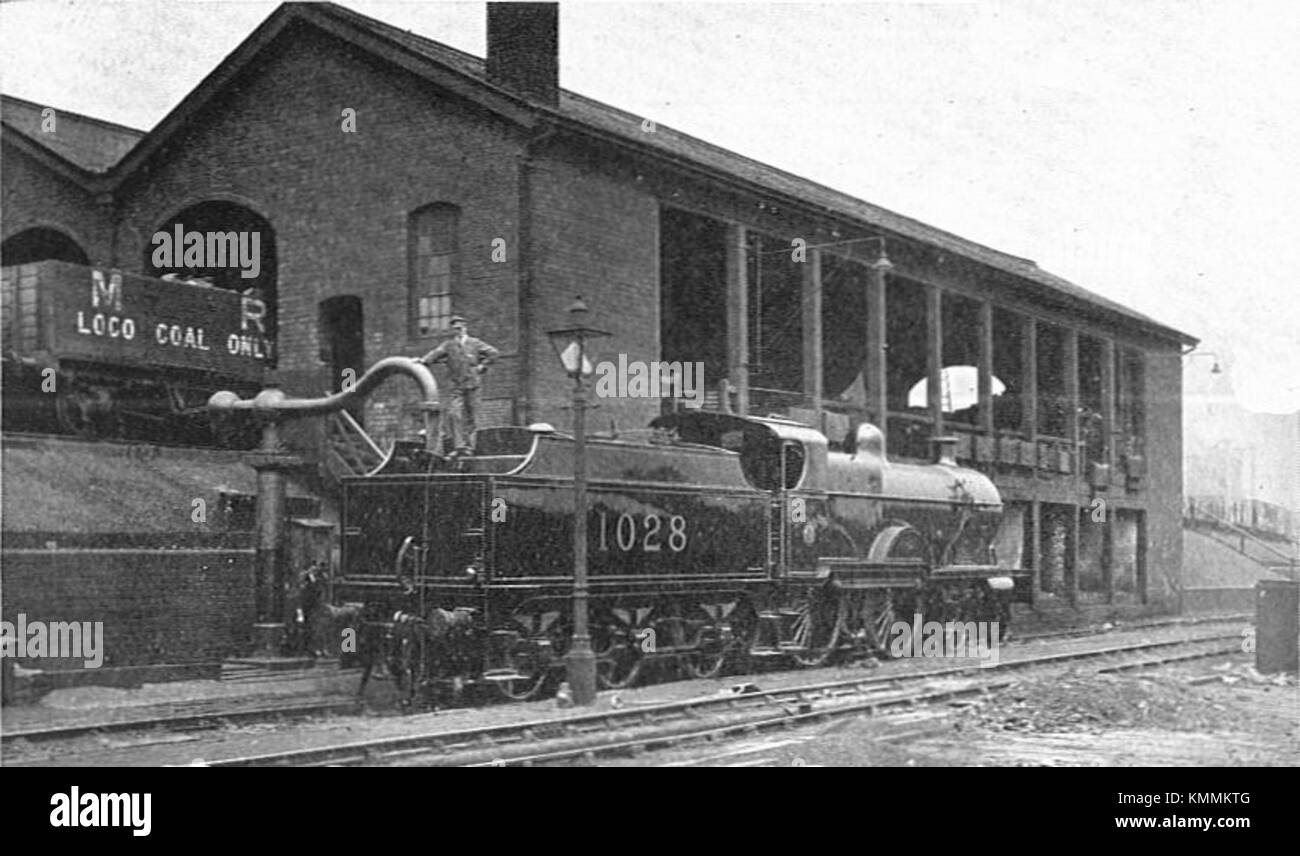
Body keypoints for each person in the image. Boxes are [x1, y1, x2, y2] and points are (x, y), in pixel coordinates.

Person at [417, 315, 499, 455]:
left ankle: (472, 447)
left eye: (460, 328)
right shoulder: (448, 345)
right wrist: (422, 360)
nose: (458, 331)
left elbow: (494, 353)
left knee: (473, 416)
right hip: (456, 385)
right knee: (455, 414)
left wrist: (482, 366)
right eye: (455, 329)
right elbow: (435, 354)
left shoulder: (475, 343)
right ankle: (460, 447)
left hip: (473, 384)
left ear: (465, 328)